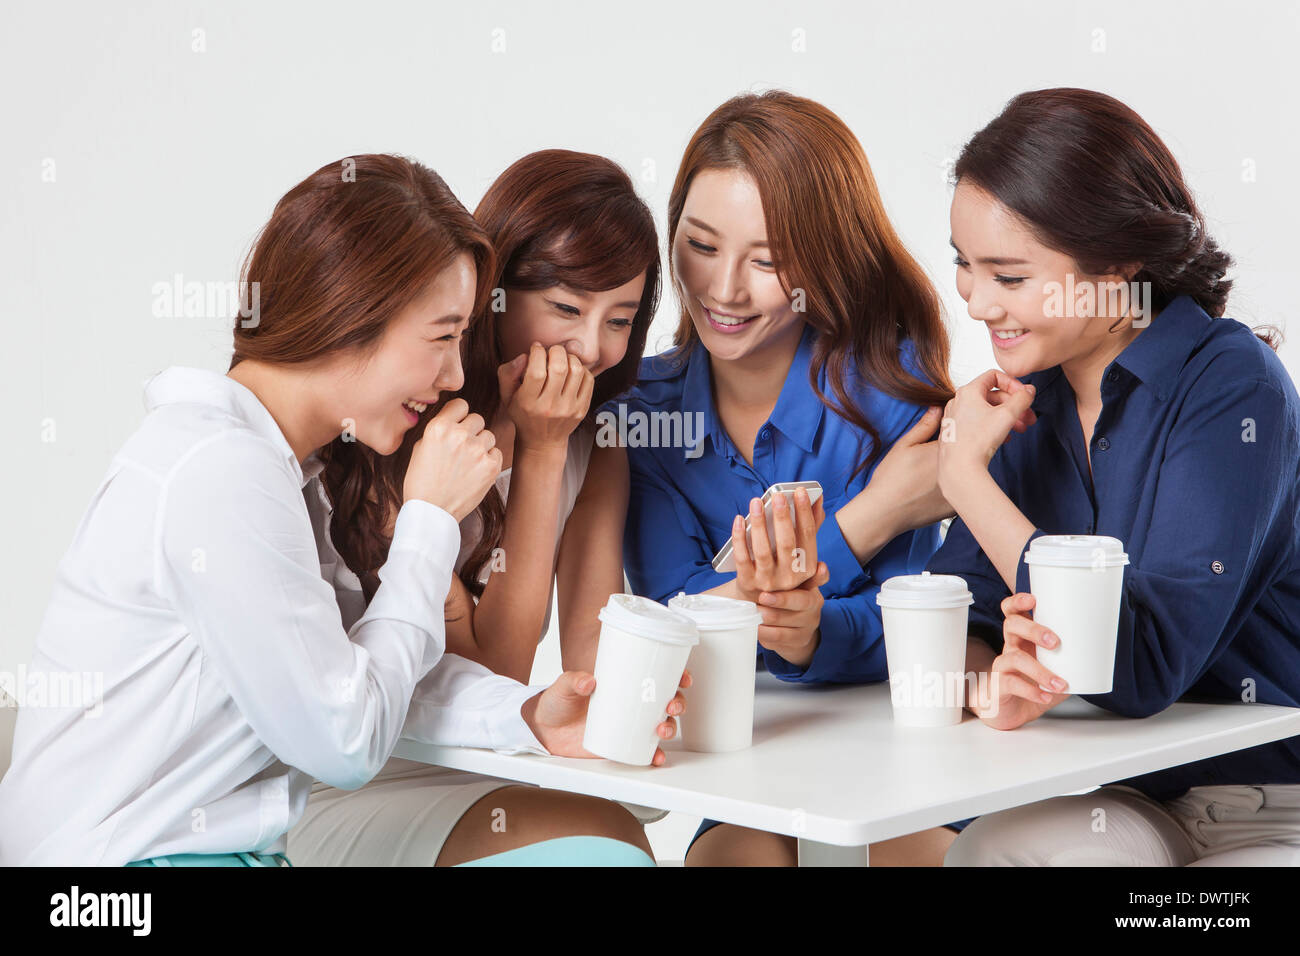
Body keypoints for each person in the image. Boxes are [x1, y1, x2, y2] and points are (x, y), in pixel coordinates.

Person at [0, 154, 683, 867]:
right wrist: (428, 521)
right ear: (352, 315)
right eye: (444, 336)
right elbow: (347, 739)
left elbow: (369, 670)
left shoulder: (291, 473)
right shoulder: (221, 474)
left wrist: (526, 715)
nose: (455, 373)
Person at [922, 88, 1300, 866]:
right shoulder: (1037, 400)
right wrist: (994, 678)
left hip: (1269, 810)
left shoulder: (1235, 387)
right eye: (966, 265)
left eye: (1011, 275)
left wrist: (963, 478)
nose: (978, 303)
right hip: (1118, 796)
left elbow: (1139, 668)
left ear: (1119, 265)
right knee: (992, 849)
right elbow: (961, 616)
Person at [609, 91, 974, 866]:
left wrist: (812, 633)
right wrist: (870, 517)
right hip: (746, 757)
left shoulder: (892, 393)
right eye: (701, 245)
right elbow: (673, 625)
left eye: (767, 261)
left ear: (824, 261)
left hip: (900, 745)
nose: (725, 289)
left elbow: (919, 630)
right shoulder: (642, 411)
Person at [287, 149, 674, 865]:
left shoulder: (600, 443)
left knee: (619, 830)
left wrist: (640, 696)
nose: (590, 348)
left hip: (497, 759)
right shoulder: (401, 423)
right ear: (492, 297)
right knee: (603, 847)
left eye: (619, 319)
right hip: (358, 778)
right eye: (565, 309)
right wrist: (540, 453)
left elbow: (588, 663)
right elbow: (496, 666)